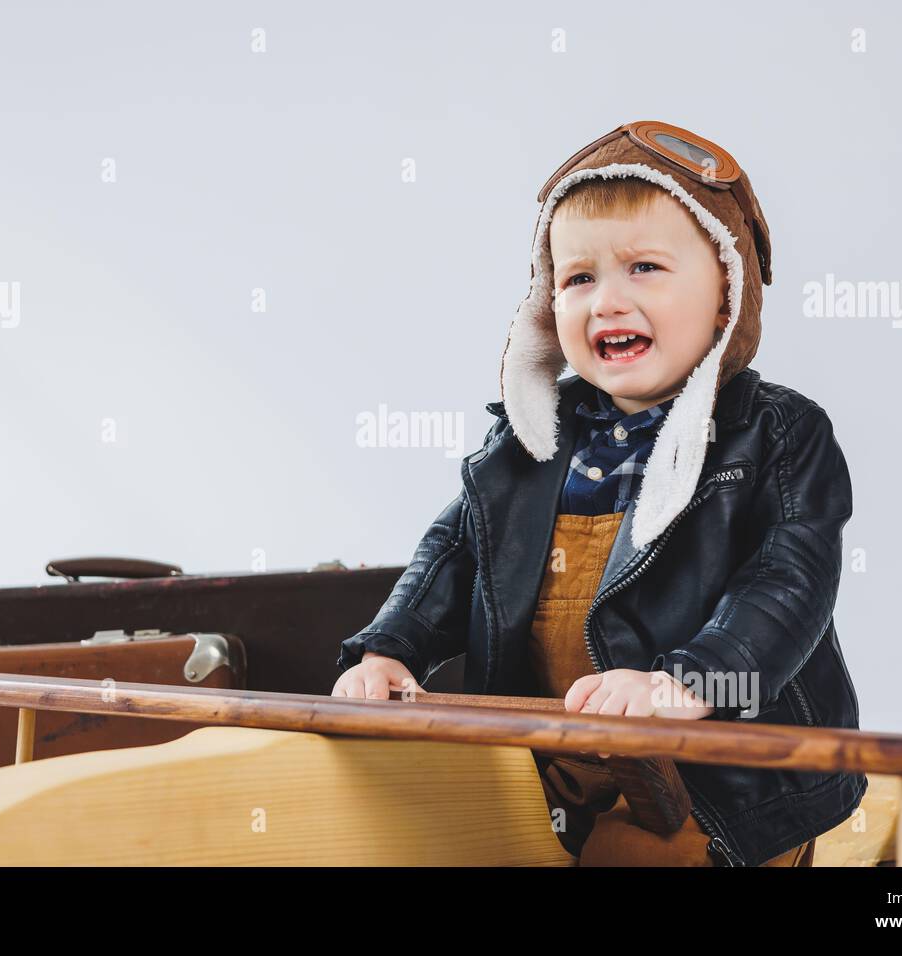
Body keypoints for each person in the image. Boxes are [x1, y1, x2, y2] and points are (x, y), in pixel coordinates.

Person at [332, 121, 865, 867]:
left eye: (644, 267)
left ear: (725, 296)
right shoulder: (533, 441)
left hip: (718, 770)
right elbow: (454, 555)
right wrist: (391, 649)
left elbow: (787, 584)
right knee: (432, 831)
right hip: (560, 754)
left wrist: (686, 684)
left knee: (637, 857)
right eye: (579, 278)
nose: (606, 301)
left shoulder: (775, 435)